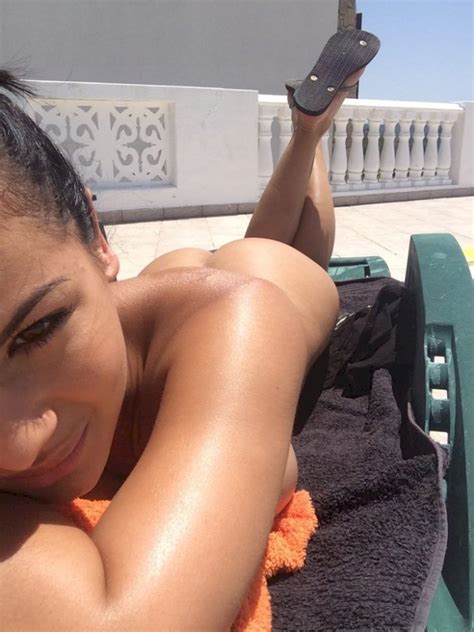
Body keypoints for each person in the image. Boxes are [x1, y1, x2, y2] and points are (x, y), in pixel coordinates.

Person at [0, 31, 379, 630]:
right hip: (153, 292)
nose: (18, 449)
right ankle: (310, 127)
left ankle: (310, 134)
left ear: (98, 240)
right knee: (256, 245)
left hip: (253, 292)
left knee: (288, 255)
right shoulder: (65, 296)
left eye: (39, 330)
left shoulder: (242, 322)